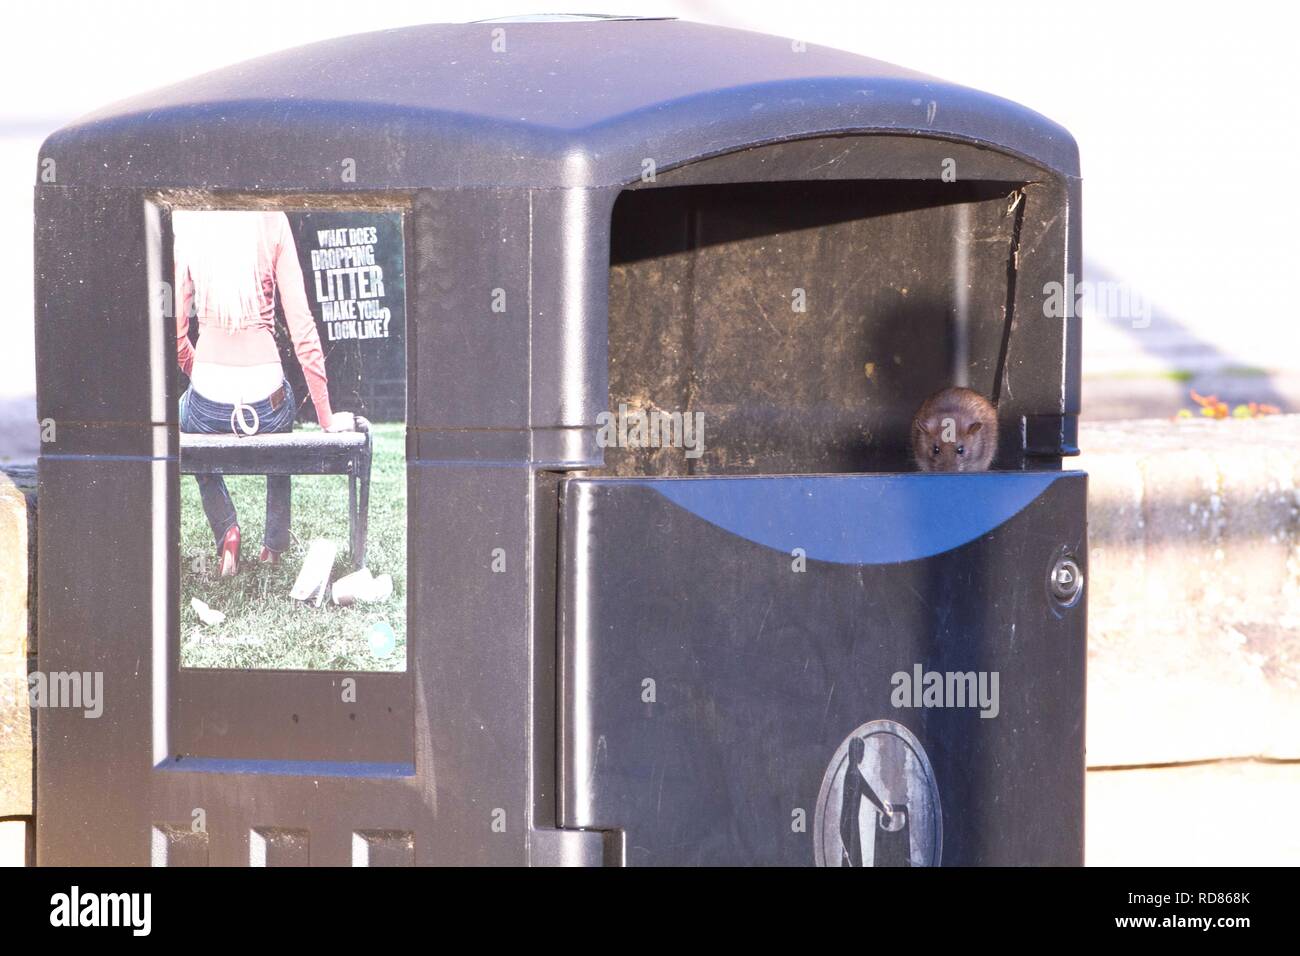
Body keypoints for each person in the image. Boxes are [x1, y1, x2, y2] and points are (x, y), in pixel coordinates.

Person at [175, 210, 354, 576]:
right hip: (267, 403)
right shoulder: (273, 220)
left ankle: (227, 529)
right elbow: (303, 329)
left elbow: (178, 337)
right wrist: (325, 415)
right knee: (283, 413)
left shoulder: (190, 221)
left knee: (184, 415)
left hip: (208, 398)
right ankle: (273, 546)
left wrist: (207, 380)